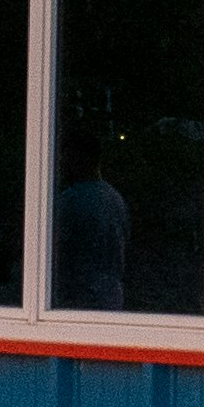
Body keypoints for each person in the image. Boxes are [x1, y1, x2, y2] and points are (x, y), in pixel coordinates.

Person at [54, 129, 131, 310]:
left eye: (67, 157)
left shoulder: (71, 199)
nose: (62, 164)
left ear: (81, 158)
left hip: (79, 299)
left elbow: (56, 247)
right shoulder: (115, 198)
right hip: (111, 297)